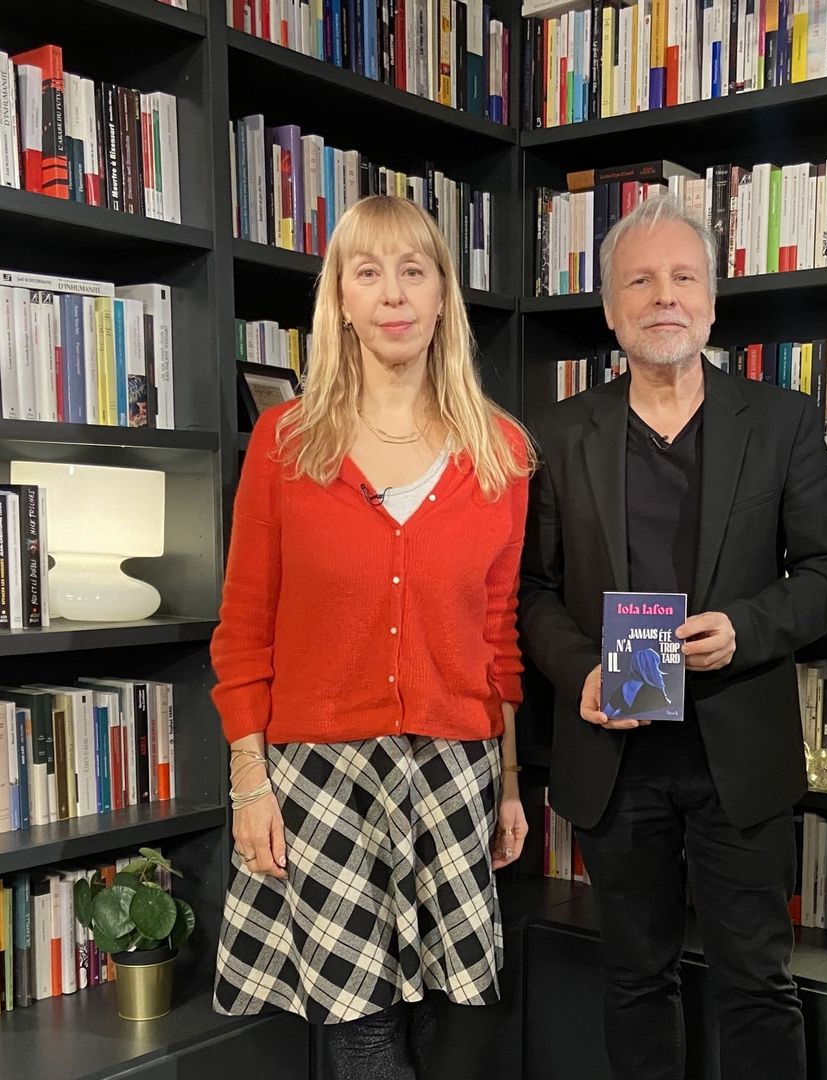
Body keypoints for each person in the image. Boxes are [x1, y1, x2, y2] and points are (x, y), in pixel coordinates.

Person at [519, 195, 827, 1080]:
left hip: (738, 751)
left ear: (711, 302)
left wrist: (745, 628)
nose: (663, 296)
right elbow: (533, 592)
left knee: (756, 982)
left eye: (683, 277)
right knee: (636, 976)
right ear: (610, 309)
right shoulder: (558, 433)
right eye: (640, 281)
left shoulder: (781, 422)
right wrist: (582, 672)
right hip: (615, 749)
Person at [209, 194, 533, 1080]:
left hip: (453, 766)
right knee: (359, 1022)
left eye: (413, 271)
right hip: (320, 772)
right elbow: (245, 625)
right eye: (369, 272)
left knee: (452, 1014)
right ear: (341, 300)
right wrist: (249, 783)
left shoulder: (501, 453)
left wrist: (509, 782)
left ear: (442, 296)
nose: (393, 293)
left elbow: (498, 636)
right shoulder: (285, 443)